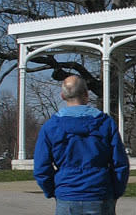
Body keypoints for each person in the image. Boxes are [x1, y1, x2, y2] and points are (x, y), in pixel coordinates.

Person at [34, 75, 129, 215]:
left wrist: (54, 191)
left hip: (67, 194)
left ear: (62, 96)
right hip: (99, 193)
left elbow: (41, 168)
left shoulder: (51, 127)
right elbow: (120, 164)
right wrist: (115, 191)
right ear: (86, 94)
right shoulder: (105, 123)